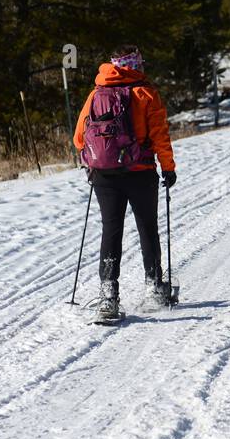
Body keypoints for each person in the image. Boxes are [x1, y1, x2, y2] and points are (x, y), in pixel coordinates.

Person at [74, 45, 177, 320]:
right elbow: (160, 136)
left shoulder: (97, 92)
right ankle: (154, 288)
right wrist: (168, 168)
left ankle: (108, 296)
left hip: (104, 175)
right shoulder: (146, 93)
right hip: (140, 170)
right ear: (136, 65)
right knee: (147, 227)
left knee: (111, 230)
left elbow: (79, 138)